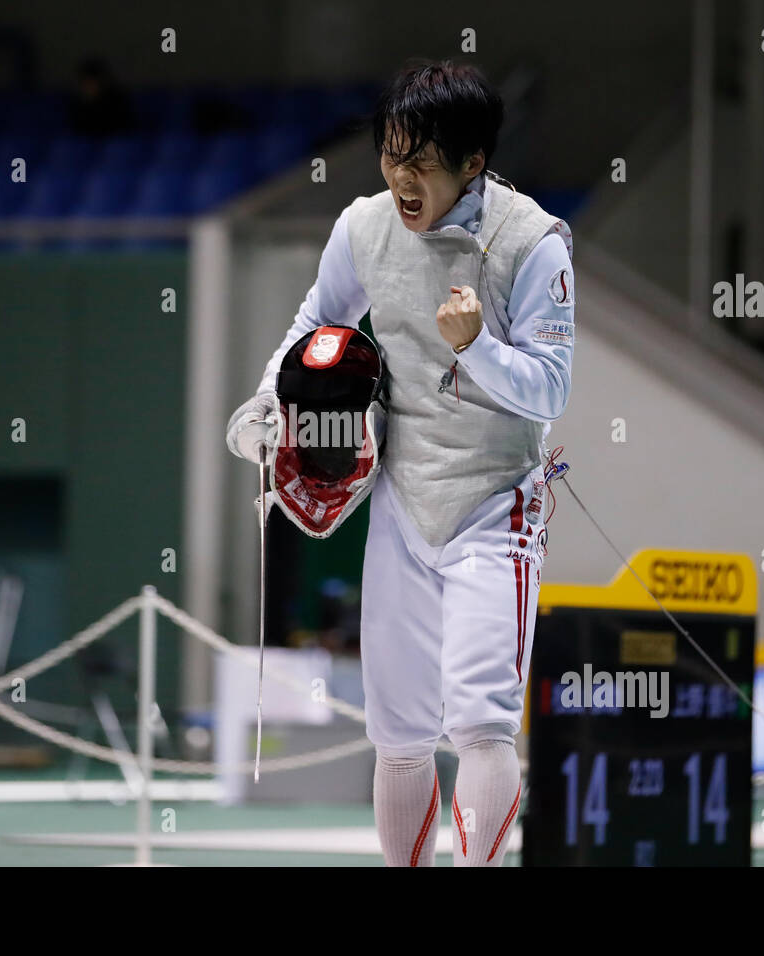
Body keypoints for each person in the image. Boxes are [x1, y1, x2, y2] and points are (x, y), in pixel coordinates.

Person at [225, 59, 575, 866]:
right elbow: (316, 320)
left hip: (496, 507)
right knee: (400, 732)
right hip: (402, 502)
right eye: (392, 155)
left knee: (482, 721)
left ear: (473, 163)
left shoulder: (532, 242)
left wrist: (478, 346)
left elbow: (551, 391)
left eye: (422, 163)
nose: (401, 178)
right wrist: (266, 407)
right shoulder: (364, 227)